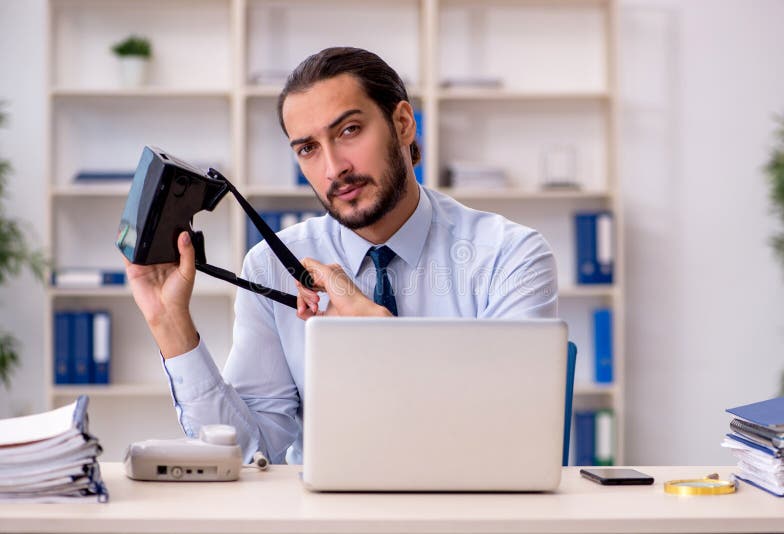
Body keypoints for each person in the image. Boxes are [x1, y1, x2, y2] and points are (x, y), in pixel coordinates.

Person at [123, 47, 558, 465]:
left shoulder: (510, 257)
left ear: (403, 123)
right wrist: (170, 324)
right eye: (308, 149)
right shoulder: (271, 264)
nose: (333, 168)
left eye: (349, 130)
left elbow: (513, 435)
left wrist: (382, 344)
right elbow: (248, 454)